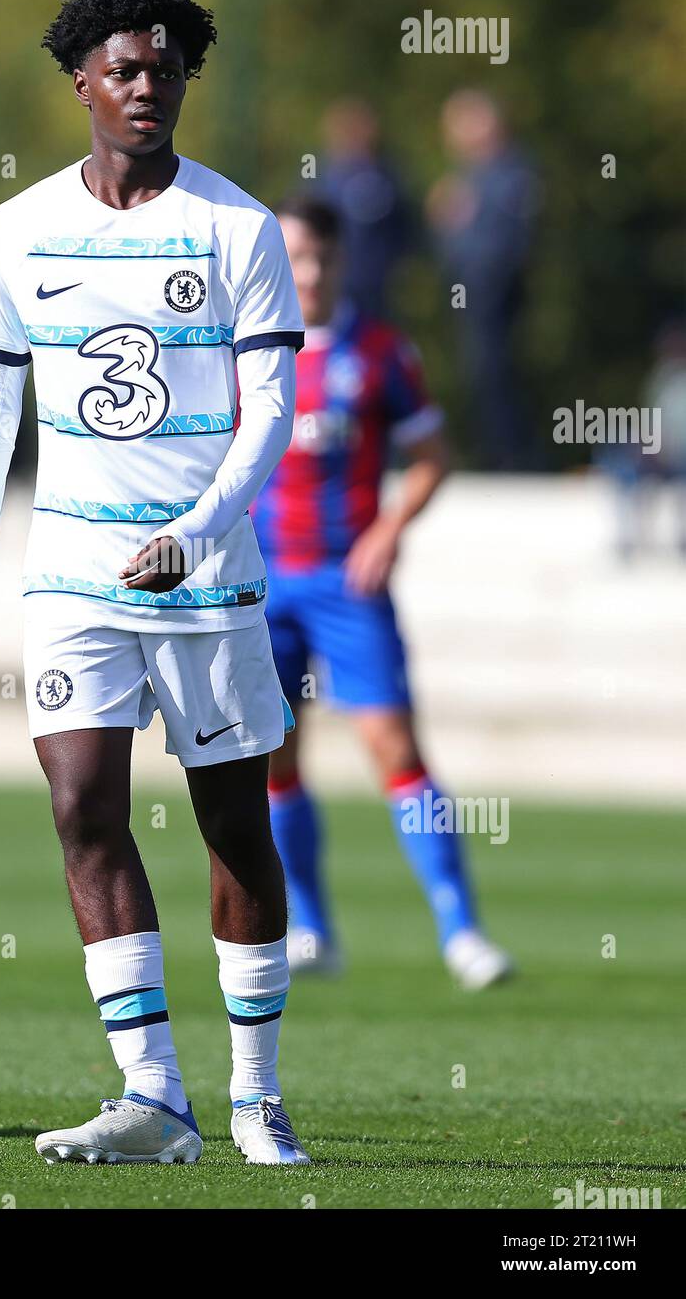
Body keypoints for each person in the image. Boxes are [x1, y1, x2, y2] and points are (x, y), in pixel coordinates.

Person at [0, 0, 311, 1166]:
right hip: (75, 574)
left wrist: (197, 532)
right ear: (80, 82)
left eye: (169, 69)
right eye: (127, 70)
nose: (150, 87)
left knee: (235, 827)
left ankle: (256, 1097)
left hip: (208, 577)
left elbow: (270, 414)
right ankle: (154, 1094)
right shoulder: (19, 231)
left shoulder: (239, 227)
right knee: (82, 806)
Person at [254, 194, 513, 990]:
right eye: (294, 257)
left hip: (345, 584)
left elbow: (431, 455)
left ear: (339, 260)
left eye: (320, 258)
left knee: (393, 750)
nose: (308, 272)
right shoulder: (248, 350)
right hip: (260, 587)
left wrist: (390, 527)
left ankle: (459, 929)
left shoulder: (377, 352)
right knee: (272, 761)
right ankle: (310, 925)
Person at [427, 90, 540, 470]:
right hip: (473, 291)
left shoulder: (511, 172)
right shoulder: (470, 177)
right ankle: (496, 453)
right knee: (481, 370)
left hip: (495, 291)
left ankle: (513, 457)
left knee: (497, 369)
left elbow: (509, 240)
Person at [318, 98, 412, 320]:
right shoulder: (324, 179)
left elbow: (405, 225)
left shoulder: (388, 174)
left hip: (377, 283)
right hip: (335, 281)